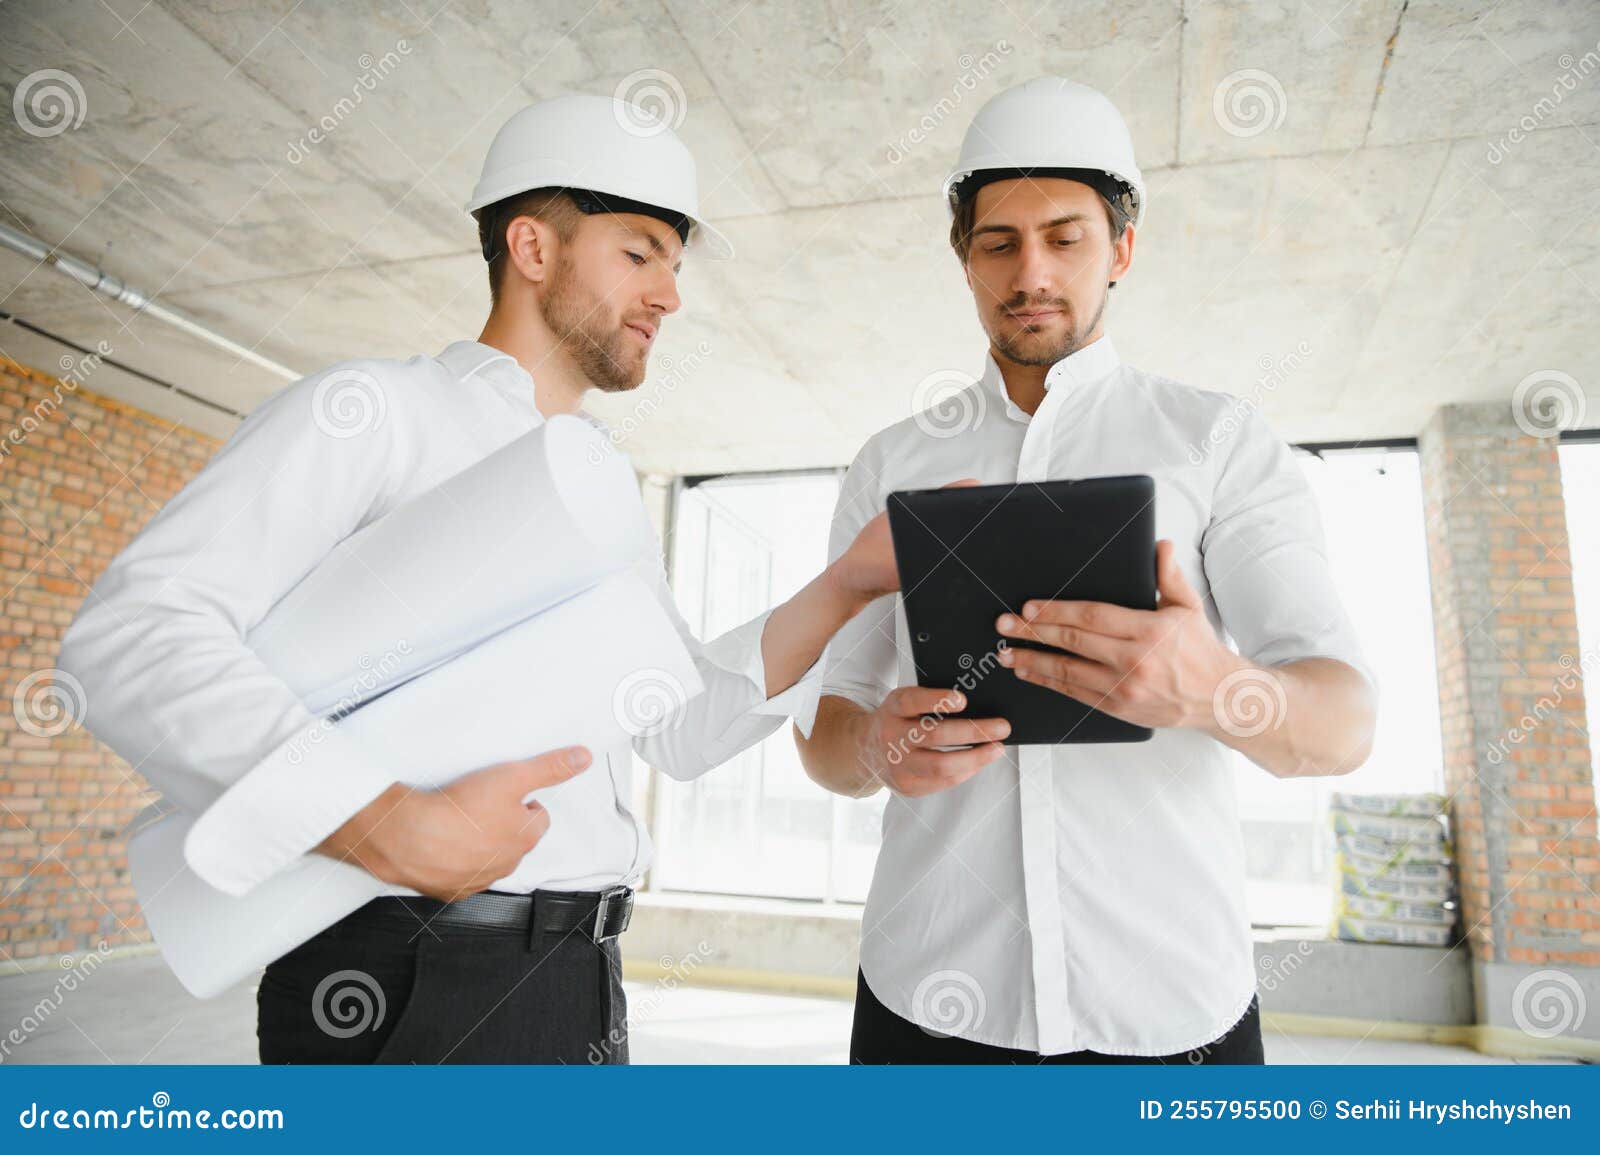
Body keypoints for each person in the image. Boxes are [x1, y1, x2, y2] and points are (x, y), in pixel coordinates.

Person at [58, 94, 898, 1064]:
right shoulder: (375, 412)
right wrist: (377, 821)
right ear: (532, 248)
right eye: (638, 253)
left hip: (580, 983)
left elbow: (676, 724)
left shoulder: (598, 485)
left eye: (674, 264)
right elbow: (132, 632)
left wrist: (847, 584)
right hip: (406, 979)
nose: (670, 293)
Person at [795, 77, 1379, 1065]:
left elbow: (1342, 726)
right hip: (926, 1000)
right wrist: (873, 754)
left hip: (1168, 1009)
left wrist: (1214, 688)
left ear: (1122, 250)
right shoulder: (888, 465)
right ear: (964, 259)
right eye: (998, 243)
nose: (1031, 271)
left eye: (1064, 237)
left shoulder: (1217, 441)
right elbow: (824, 729)